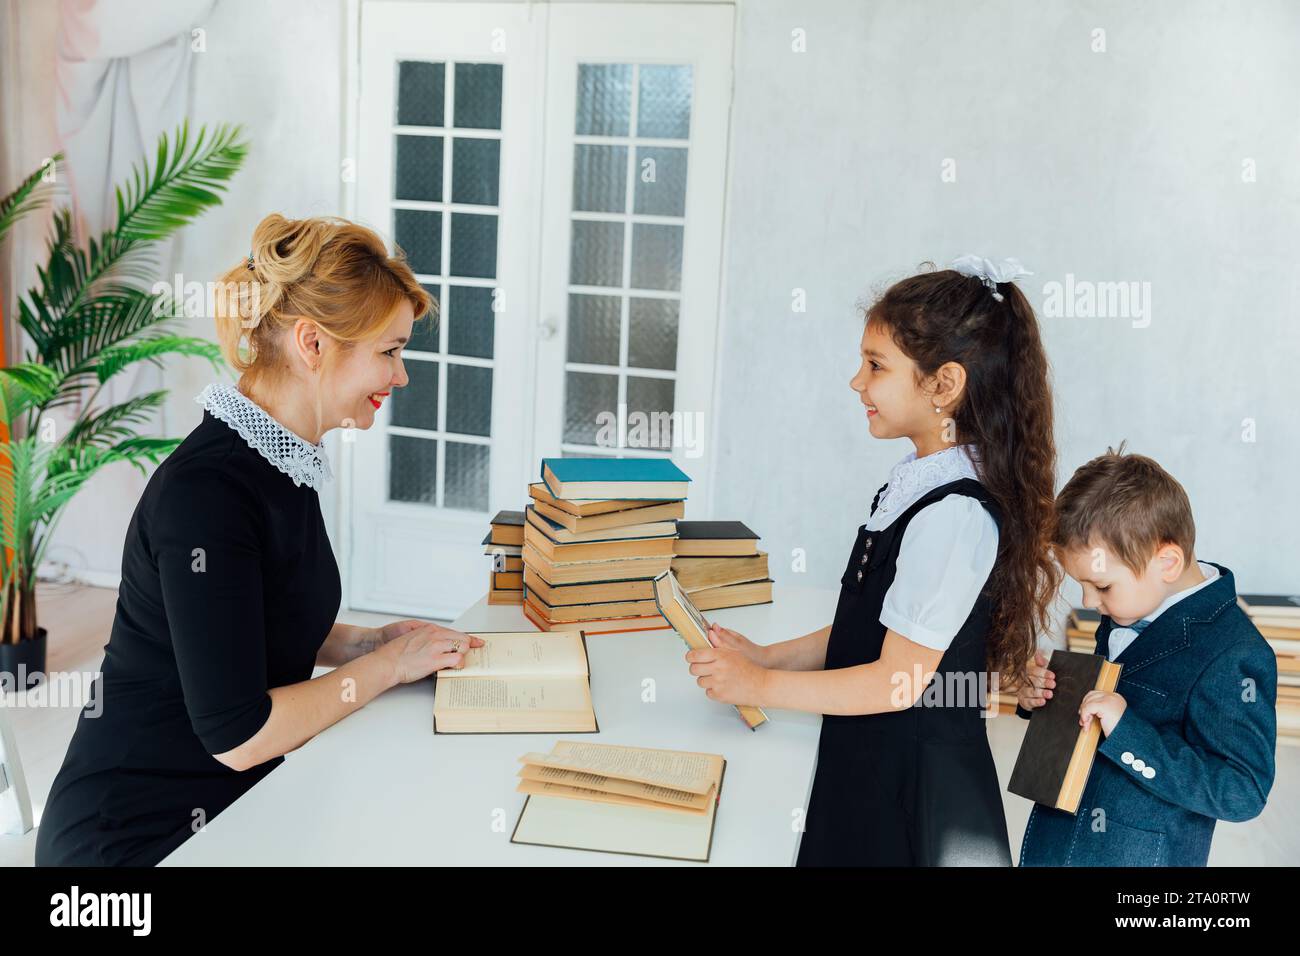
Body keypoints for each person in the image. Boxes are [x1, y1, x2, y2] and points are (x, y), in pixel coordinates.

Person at [36, 214, 482, 866]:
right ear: (313, 344)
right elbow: (238, 735)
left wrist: (366, 642)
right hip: (133, 844)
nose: (402, 375)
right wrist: (384, 669)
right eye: (389, 351)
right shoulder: (209, 492)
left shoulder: (278, 460)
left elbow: (249, 613)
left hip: (238, 809)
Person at [686, 257, 1061, 865]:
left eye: (876, 366)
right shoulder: (919, 486)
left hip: (916, 797)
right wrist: (766, 656)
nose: (857, 382)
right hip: (873, 762)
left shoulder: (954, 514)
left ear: (944, 385)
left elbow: (899, 679)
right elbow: (876, 628)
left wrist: (760, 685)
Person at [1016, 445, 1276, 866]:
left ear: (1167, 562)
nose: (1087, 600)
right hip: (1055, 844)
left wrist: (1128, 732)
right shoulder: (1132, 603)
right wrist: (1045, 696)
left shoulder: (1237, 654)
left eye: (1101, 586)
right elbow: (1098, 707)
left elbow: (1242, 792)